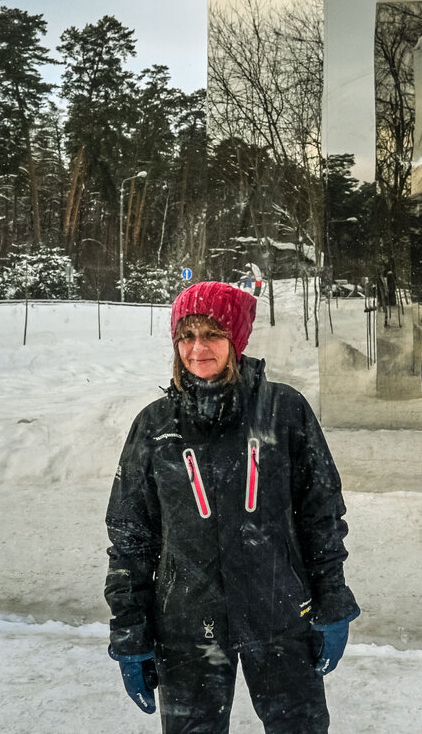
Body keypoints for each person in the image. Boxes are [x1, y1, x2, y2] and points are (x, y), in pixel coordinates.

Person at [104, 281, 360, 733]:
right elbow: (131, 535)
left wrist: (332, 600)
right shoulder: (155, 425)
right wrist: (130, 629)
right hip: (186, 627)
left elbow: (321, 515)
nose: (197, 348)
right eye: (186, 335)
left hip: (280, 617)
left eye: (212, 334)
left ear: (235, 340)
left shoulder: (284, 411)